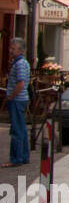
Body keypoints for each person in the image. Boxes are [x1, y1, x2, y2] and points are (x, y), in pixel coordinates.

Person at [6, 37, 30, 167]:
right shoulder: (22, 63)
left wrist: (10, 96)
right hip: (21, 99)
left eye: (13, 49)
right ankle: (24, 156)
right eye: (10, 48)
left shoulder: (19, 64)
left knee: (16, 130)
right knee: (21, 128)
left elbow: (21, 83)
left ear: (20, 51)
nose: (10, 50)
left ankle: (16, 158)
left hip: (17, 99)